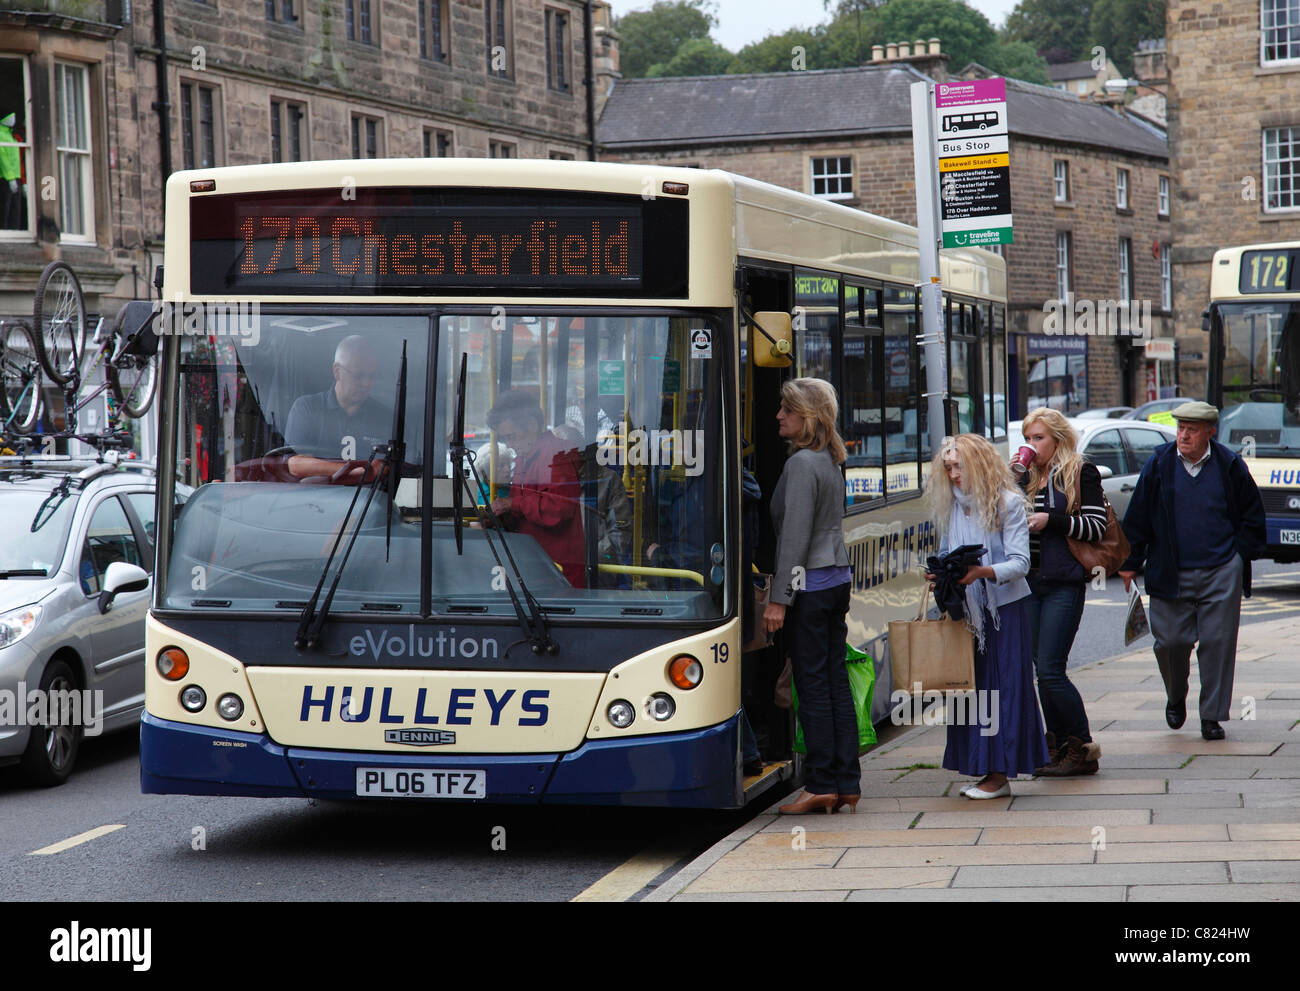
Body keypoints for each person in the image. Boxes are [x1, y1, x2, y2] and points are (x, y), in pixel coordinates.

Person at [1118, 401, 1266, 741]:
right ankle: (1175, 695)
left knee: (1218, 644)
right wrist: (1129, 562)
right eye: (1181, 428)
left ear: (1210, 432)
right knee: (1170, 642)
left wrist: (1239, 557)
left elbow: (1252, 515)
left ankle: (1211, 716)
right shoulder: (1159, 464)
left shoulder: (1230, 464)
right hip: (1170, 570)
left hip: (1221, 569)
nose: (1183, 435)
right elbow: (1138, 515)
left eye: (1192, 430)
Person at [926, 434, 1048, 798]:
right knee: (972, 690)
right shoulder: (954, 505)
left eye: (959, 467)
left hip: (1003, 612)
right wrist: (940, 572)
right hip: (968, 613)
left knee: (1003, 690)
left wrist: (982, 572)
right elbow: (947, 551)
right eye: (948, 468)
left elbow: (1021, 563)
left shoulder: (1008, 503)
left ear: (979, 465)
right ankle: (984, 768)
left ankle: (999, 775)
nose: (953, 475)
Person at [762, 378, 857, 814]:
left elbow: (795, 537)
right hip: (835, 580)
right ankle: (846, 781)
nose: (779, 415)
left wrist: (779, 599)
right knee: (835, 683)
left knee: (812, 686)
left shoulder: (801, 464)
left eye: (788, 409)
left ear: (808, 417)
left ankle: (820, 783)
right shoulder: (829, 459)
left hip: (810, 587)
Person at [1018, 407, 1106, 775]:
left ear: (1058, 439)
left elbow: (1097, 526)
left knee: (1052, 670)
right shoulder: (1025, 476)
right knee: (1041, 670)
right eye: (1028, 438)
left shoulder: (1080, 471)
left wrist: (1050, 521)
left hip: (1064, 583)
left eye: (1038, 438)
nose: (1032, 445)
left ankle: (1083, 748)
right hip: (1029, 583)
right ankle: (1056, 747)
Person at [486, 389, 586, 588]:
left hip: (557, 575)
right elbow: (524, 511)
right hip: (537, 569)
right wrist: (500, 517)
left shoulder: (557, 454)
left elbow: (559, 509)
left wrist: (512, 504)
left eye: (512, 437)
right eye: (505, 439)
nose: (509, 444)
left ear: (532, 424)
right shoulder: (525, 458)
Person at [281, 335, 392, 483]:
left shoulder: (384, 418)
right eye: (359, 376)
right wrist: (355, 471)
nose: (366, 384)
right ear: (337, 371)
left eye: (371, 376)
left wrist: (326, 469)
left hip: (368, 498)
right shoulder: (307, 408)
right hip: (314, 496)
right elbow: (296, 464)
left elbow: (384, 467)